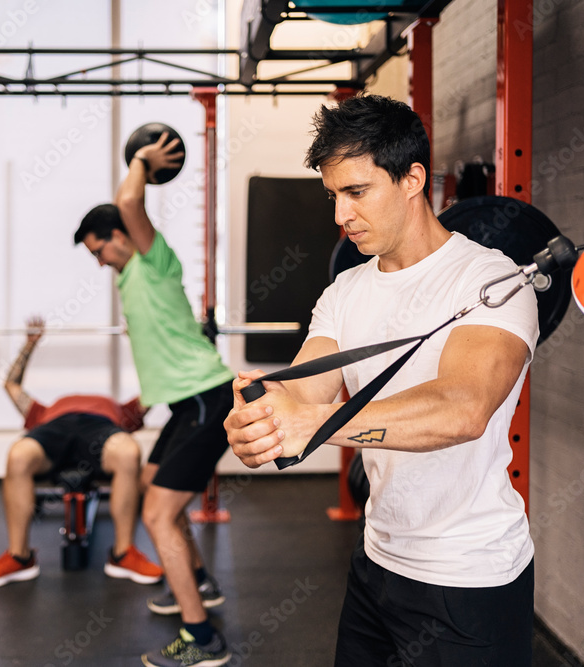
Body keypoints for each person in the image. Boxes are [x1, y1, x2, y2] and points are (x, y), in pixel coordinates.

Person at [224, 94, 539, 666]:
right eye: (333, 196)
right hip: (377, 563)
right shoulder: (345, 292)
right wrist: (263, 417)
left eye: (356, 192)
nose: (340, 216)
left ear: (413, 178)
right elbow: (305, 392)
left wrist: (313, 426)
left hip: (468, 577)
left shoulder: (491, 280)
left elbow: (462, 408)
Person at [75, 134, 235, 667]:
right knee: (152, 487)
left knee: (157, 513)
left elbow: (127, 202)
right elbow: (165, 343)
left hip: (209, 400)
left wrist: (143, 160)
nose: (99, 263)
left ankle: (202, 638)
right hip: (184, 403)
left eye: (99, 250)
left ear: (119, 237)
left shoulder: (153, 259)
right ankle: (197, 581)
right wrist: (145, 400)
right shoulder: (129, 279)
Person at [0, 317, 163, 589]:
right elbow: (11, 385)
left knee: (129, 452)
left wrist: (137, 340)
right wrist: (29, 345)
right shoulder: (44, 411)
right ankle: (19, 557)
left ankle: (122, 553)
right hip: (54, 428)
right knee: (18, 455)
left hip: (101, 428)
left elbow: (156, 385)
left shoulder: (118, 409)